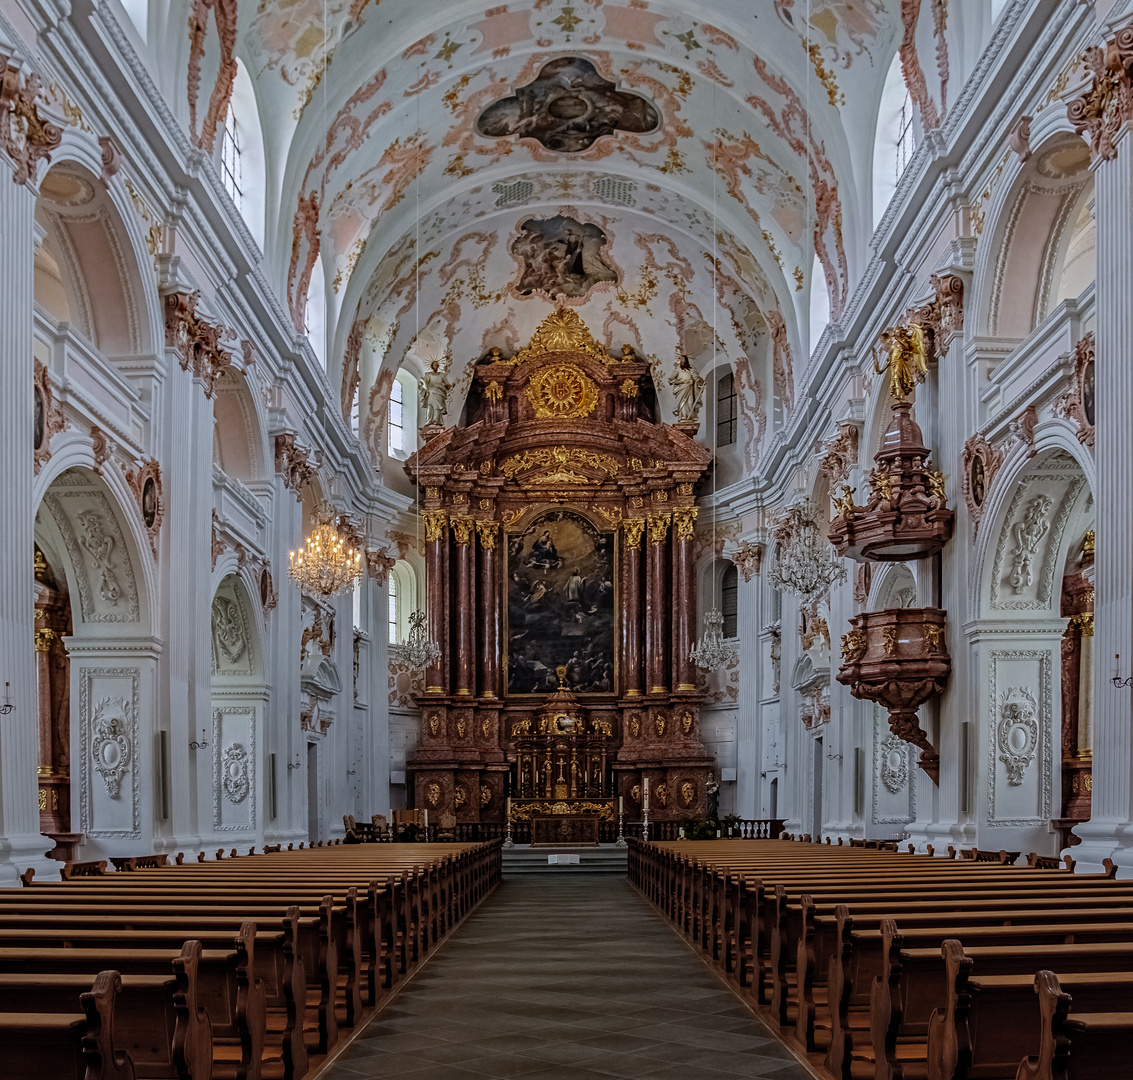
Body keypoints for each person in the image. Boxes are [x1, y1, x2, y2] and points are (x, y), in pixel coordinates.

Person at [669, 353, 706, 422]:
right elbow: (671, 379)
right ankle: (683, 416)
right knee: (683, 402)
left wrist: (699, 381)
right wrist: (682, 381)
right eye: (681, 360)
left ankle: (690, 416)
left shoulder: (691, 370)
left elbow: (696, 377)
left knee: (690, 402)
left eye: (683, 360)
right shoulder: (677, 369)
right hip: (681, 388)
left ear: (686, 361)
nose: (682, 362)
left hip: (690, 388)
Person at [420, 359, 451, 427]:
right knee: (430, 406)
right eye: (435, 365)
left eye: (437, 365)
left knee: (437, 407)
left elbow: (447, 384)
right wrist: (422, 382)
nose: (436, 366)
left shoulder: (442, 375)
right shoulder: (428, 374)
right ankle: (429, 420)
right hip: (431, 391)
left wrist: (449, 386)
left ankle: (436, 420)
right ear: (432, 366)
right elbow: (425, 381)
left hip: (439, 392)